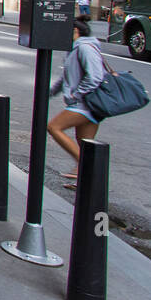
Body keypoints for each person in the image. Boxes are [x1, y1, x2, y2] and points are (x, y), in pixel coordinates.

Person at [47, 16, 106, 190]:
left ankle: (85, 166)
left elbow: (95, 77)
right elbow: (66, 77)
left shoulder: (85, 48)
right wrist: (50, 92)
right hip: (86, 104)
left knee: (53, 127)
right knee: (86, 145)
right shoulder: (74, 49)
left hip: (85, 104)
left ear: (75, 31)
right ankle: (86, 186)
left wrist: (75, 95)